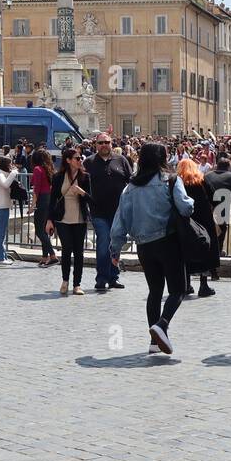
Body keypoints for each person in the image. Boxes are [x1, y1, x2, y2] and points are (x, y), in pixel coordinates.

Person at [109, 142, 193, 355]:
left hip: (144, 246)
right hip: (168, 242)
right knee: (178, 290)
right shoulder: (170, 180)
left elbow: (120, 221)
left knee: (155, 291)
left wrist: (115, 249)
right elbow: (185, 207)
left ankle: (154, 343)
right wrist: (191, 201)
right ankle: (162, 325)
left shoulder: (130, 187)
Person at [83, 134, 131, 291]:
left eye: (107, 142)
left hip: (119, 211)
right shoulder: (89, 162)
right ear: (96, 144)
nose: (104, 145)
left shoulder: (121, 160)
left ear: (112, 144)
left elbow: (131, 181)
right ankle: (101, 278)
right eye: (100, 142)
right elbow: (81, 184)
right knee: (104, 242)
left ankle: (113, 276)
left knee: (115, 244)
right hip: (98, 211)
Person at [48, 145, 92, 295]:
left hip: (80, 219)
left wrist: (82, 192)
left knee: (79, 252)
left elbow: (92, 199)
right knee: (67, 250)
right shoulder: (58, 177)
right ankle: (65, 281)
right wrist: (49, 220)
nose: (80, 160)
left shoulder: (85, 177)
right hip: (63, 219)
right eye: (77, 158)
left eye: (80, 158)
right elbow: (52, 199)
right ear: (68, 160)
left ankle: (77, 284)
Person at [176, 158, 217, 298]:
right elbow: (215, 199)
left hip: (186, 221)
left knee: (184, 251)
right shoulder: (202, 180)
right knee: (205, 250)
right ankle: (203, 285)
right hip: (204, 221)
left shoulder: (177, 182)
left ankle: (187, 285)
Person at [204, 157, 231, 283]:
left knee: (208, 239)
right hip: (222, 211)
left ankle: (208, 267)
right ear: (228, 166)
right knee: (219, 239)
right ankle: (214, 269)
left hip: (208, 211)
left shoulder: (207, 175)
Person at [29, 149, 59, 268]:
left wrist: (32, 205)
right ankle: (44, 257)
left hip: (42, 199)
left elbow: (36, 189)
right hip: (50, 200)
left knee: (39, 231)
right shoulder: (50, 170)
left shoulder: (37, 169)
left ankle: (52, 256)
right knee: (44, 230)